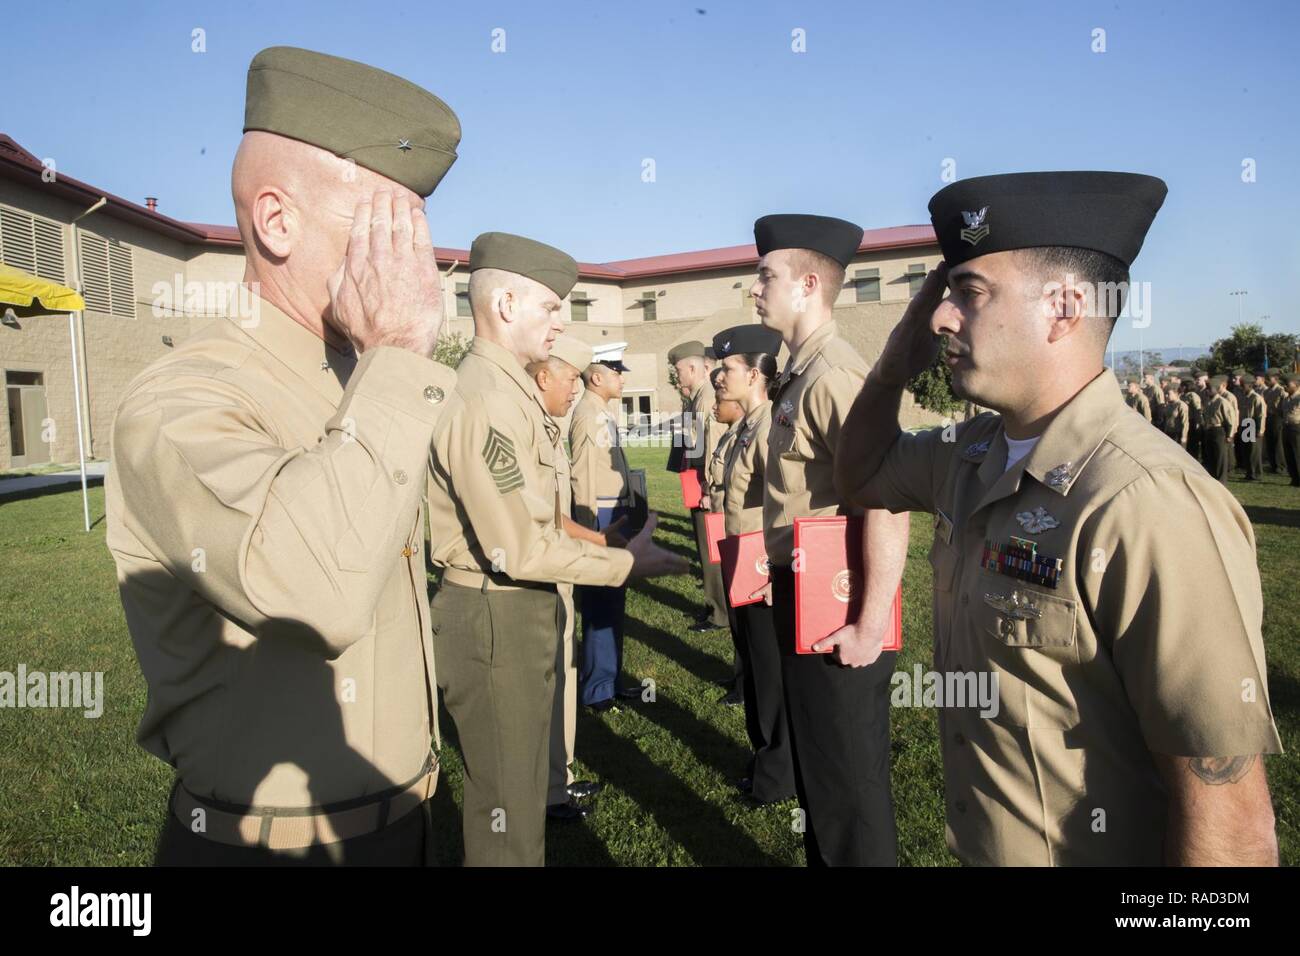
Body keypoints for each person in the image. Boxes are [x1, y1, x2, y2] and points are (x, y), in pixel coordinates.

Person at [836, 170, 1282, 866]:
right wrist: (893, 365)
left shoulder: (1145, 500)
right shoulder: (969, 452)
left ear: (1065, 308)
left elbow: (1229, 818)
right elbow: (860, 476)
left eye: (970, 292)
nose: (941, 317)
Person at [105, 46, 462, 865]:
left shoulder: (364, 378)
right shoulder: (183, 399)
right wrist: (404, 351)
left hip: (407, 825)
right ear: (276, 222)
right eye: (384, 226)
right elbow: (313, 595)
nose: (414, 263)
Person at [427, 232, 685, 866]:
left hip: (515, 607)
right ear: (507, 304)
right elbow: (519, 546)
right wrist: (625, 562)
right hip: (495, 611)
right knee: (507, 821)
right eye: (550, 307)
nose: (560, 323)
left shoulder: (509, 394)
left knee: (517, 805)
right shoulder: (488, 401)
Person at [750, 213, 911, 866]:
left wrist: (871, 622)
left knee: (847, 788)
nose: (753, 288)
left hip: (837, 603)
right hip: (804, 591)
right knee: (822, 778)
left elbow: (889, 499)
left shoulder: (833, 376)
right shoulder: (800, 373)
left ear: (807, 284)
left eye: (765, 275)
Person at [525, 334, 614, 822]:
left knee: (563, 671)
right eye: (571, 379)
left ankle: (557, 779)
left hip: (556, 567)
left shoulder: (548, 425)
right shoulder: (530, 427)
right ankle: (548, 790)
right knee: (547, 679)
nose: (576, 390)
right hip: (539, 573)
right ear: (543, 378)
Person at [712, 323, 797, 807]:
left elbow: (787, 505)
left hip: (762, 570)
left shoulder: (770, 426)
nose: (718, 378)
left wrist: (771, 570)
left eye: (726, 370)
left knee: (769, 676)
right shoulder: (746, 425)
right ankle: (763, 759)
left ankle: (776, 776)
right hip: (742, 563)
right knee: (755, 668)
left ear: (755, 374)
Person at [570, 345, 642, 712]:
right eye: (616, 373)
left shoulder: (600, 413)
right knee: (601, 605)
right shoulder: (588, 416)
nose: (622, 379)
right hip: (598, 515)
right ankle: (597, 691)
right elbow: (582, 475)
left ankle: (608, 680)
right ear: (597, 377)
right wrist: (588, 534)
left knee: (613, 602)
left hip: (612, 513)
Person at [669, 340, 730, 633]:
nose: (676, 375)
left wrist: (708, 489)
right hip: (698, 483)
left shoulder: (706, 398)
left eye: (679, 369)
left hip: (706, 487)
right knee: (707, 550)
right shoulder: (697, 397)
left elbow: (711, 446)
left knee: (711, 551)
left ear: (692, 368)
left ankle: (719, 613)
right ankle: (714, 606)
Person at [706, 365, 748, 706]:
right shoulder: (729, 433)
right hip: (725, 526)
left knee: (745, 618)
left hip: (743, 534)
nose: (715, 403)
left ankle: (746, 683)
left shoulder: (743, 434)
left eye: (721, 397)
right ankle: (740, 674)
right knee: (737, 617)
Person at [1201, 376, 1235, 484]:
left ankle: (1221, 480)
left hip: (1219, 430)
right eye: (1207, 388)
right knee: (1210, 455)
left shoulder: (1222, 402)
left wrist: (1230, 435)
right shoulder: (1208, 402)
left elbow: (1230, 420)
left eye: (1210, 389)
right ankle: (1213, 477)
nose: (1207, 391)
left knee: (1220, 457)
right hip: (1209, 430)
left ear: (1216, 389)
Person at [1239, 374, 1268, 481]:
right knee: (1246, 451)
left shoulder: (1256, 398)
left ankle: (1256, 473)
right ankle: (1249, 472)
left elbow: (1261, 415)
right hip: (1245, 424)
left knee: (1253, 452)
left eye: (1243, 385)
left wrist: (1260, 430)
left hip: (1252, 424)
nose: (1241, 387)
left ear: (1249, 385)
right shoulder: (1244, 397)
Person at [1263, 369, 1286, 473]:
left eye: (1269, 378)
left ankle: (1280, 466)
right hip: (1268, 417)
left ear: (1275, 378)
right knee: (1270, 442)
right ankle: (1273, 464)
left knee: (1278, 442)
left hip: (1277, 417)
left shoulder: (1281, 390)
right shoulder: (1267, 391)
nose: (1267, 380)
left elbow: (1284, 405)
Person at [1280, 373, 1300, 487]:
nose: (1285, 387)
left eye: (1288, 384)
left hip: (1296, 427)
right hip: (1286, 427)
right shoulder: (1286, 398)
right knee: (1289, 454)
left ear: (1296, 385)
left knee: (1297, 454)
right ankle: (1294, 478)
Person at [1160, 382, 1189, 448]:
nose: (1166, 396)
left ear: (1176, 393)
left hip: (1177, 435)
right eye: (1165, 394)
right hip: (1168, 433)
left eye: (1168, 394)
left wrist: (1183, 438)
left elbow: (1185, 423)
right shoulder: (1168, 405)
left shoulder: (1181, 405)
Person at [1181, 377, 1202, 461]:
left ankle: (1195, 458)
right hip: (1186, 420)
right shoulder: (1183, 396)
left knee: (1193, 442)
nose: (1181, 388)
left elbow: (1198, 409)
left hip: (1193, 420)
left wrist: (1198, 422)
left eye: (1182, 386)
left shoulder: (1193, 395)